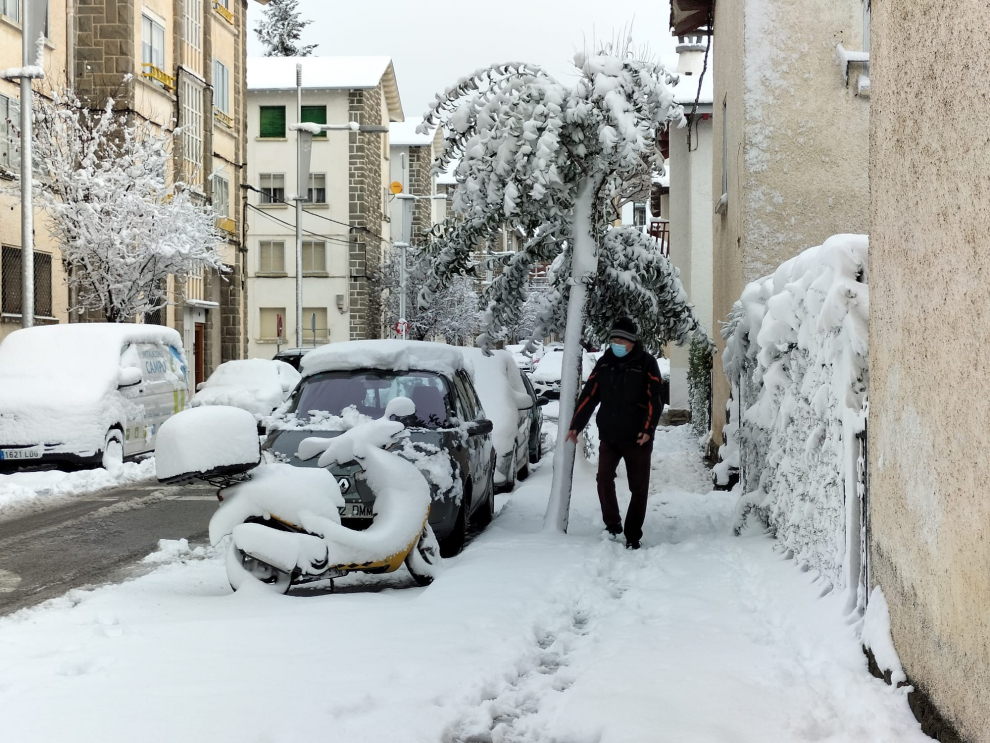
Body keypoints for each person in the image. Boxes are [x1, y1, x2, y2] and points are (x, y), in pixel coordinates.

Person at [566, 317, 663, 549]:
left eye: (621, 340)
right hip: (609, 435)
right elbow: (589, 395)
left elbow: (656, 399)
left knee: (638, 488)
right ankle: (612, 523)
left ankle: (632, 534)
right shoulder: (604, 363)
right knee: (603, 479)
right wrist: (576, 425)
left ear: (632, 342)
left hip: (638, 438)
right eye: (614, 340)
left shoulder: (646, 363)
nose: (616, 344)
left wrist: (648, 429)